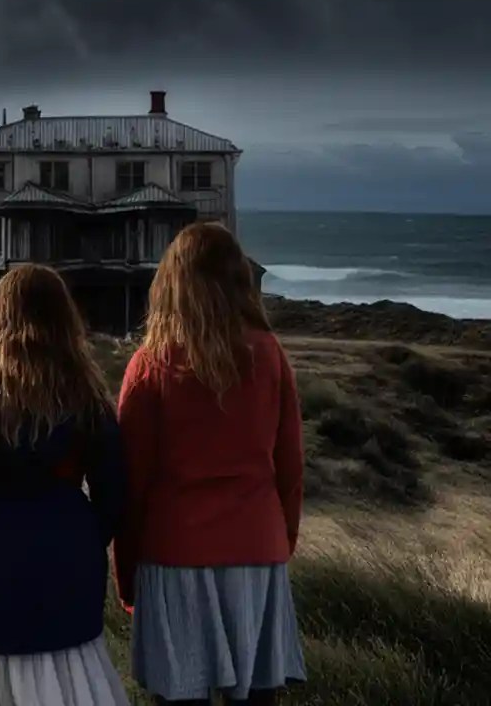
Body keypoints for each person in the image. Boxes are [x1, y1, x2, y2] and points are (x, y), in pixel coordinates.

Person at [113, 222, 307, 705]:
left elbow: (129, 485)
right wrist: (281, 542)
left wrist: (126, 574)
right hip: (257, 550)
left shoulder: (150, 363)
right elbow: (291, 468)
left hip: (175, 554)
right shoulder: (270, 354)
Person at [0, 264, 130, 706]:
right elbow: (114, 495)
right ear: (63, 319)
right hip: (68, 590)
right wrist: (80, 537)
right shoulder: (86, 394)